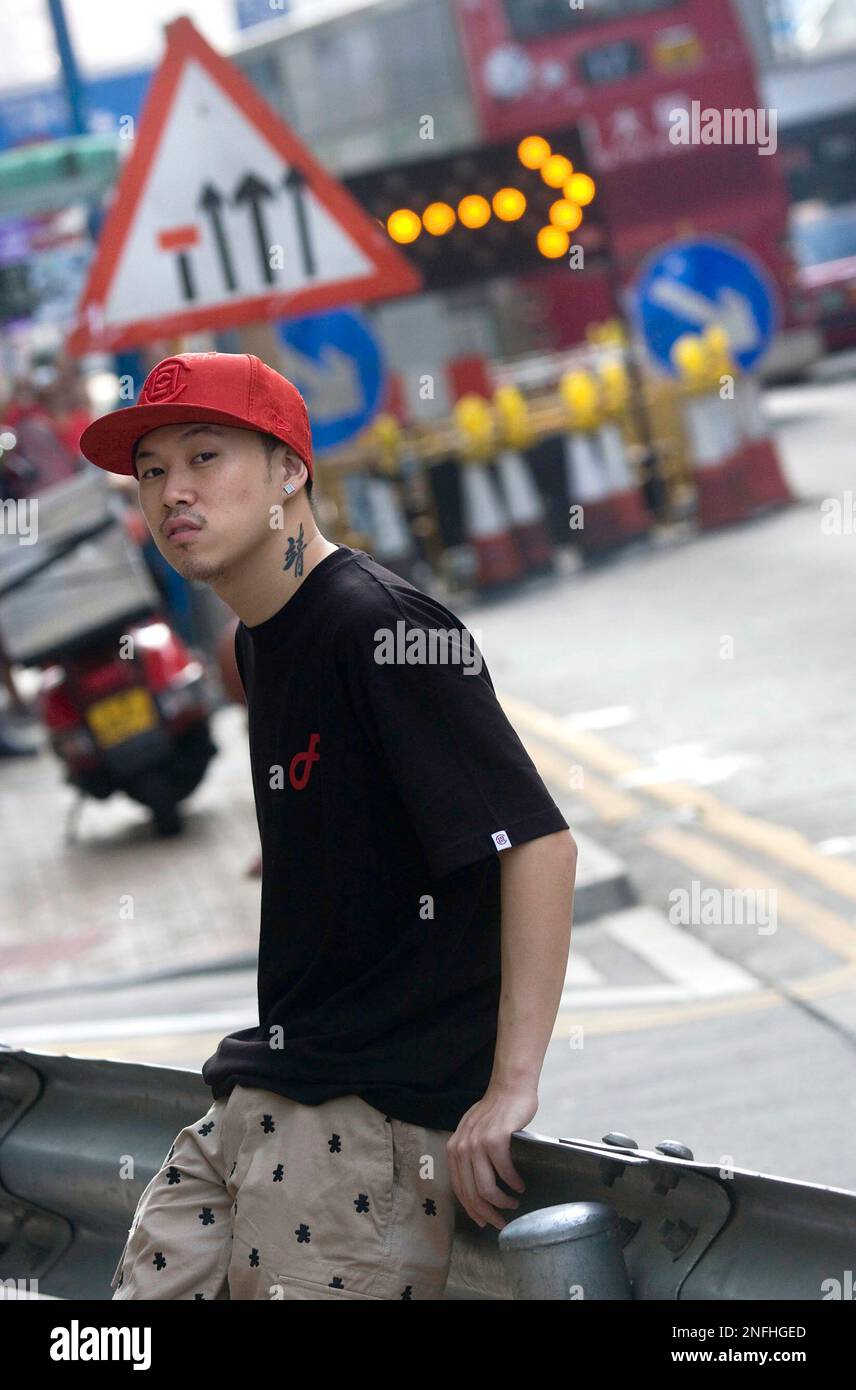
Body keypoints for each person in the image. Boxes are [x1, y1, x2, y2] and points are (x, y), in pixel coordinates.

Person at [79, 351, 577, 1302]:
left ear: (289, 471)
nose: (171, 492)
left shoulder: (378, 629)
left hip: (361, 1138)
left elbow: (539, 845)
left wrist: (511, 1088)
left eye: (205, 457)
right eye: (150, 472)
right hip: (261, 1101)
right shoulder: (261, 641)